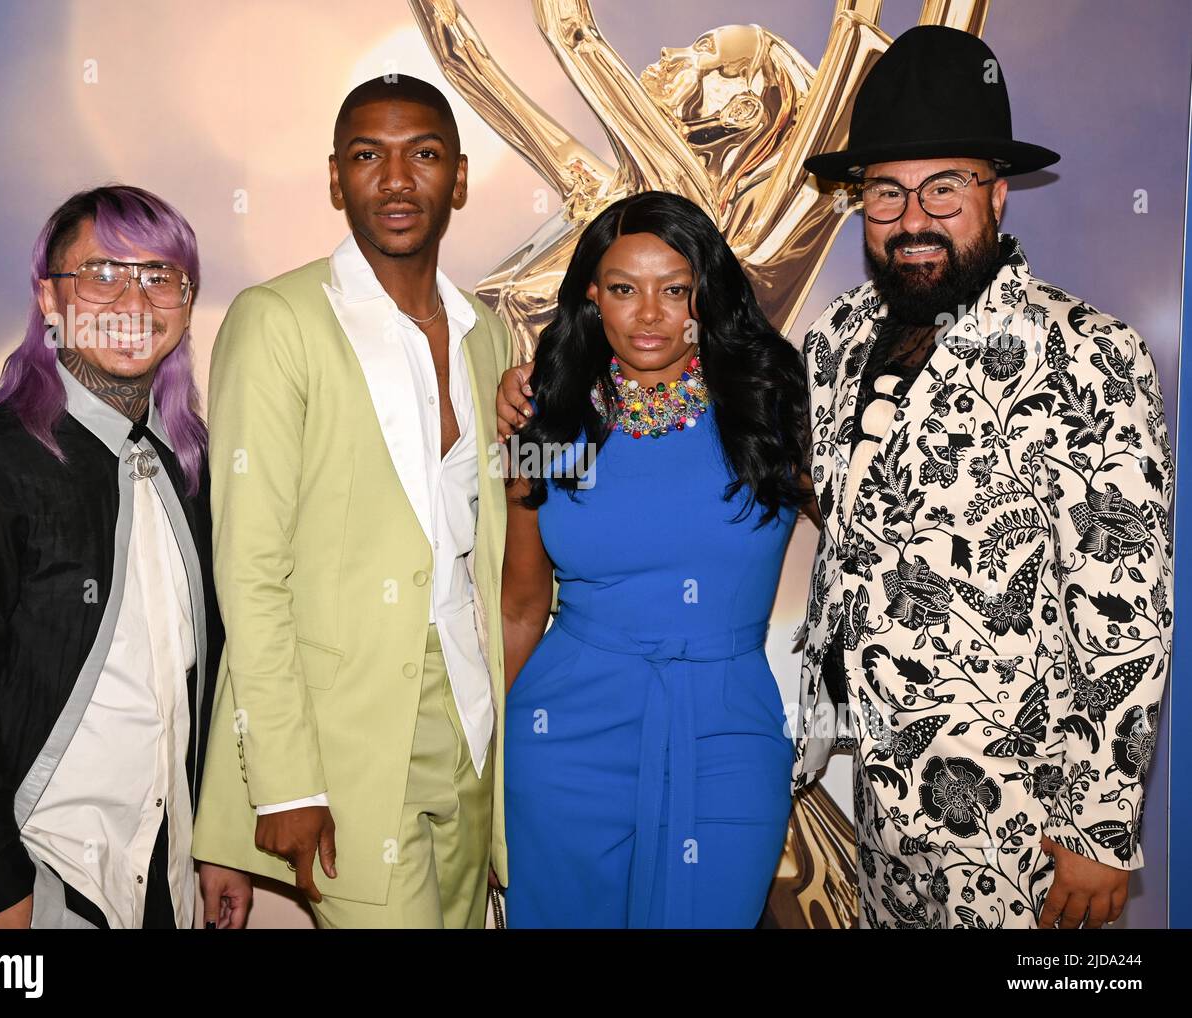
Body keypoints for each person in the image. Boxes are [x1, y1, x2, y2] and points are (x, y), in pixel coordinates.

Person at [794, 26, 1171, 929]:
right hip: (880, 802)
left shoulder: (1090, 355)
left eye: (944, 187)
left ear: (998, 193)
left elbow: (1124, 606)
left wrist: (1101, 827)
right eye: (886, 192)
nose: (913, 219)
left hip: (1027, 825)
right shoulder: (834, 340)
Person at [191, 75, 512, 928]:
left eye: (425, 155)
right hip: (343, 739)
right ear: (337, 180)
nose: (397, 180)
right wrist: (286, 778)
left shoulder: (491, 331)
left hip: (474, 725)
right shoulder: (278, 320)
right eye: (369, 156)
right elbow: (249, 573)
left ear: (461, 178)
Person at [0, 184, 244, 929]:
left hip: (163, 873)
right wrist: (2, 891)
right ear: (49, 301)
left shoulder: (188, 469)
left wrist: (216, 838)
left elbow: (199, 683)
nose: (133, 300)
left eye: (160, 277)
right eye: (102, 273)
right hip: (38, 887)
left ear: (185, 309)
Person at [499, 190, 808, 927]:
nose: (649, 315)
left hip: (729, 730)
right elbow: (519, 603)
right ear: (590, 299)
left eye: (675, 290)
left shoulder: (773, 407)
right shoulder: (546, 418)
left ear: (706, 297)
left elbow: (875, 535)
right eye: (623, 289)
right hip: (565, 738)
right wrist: (496, 749)